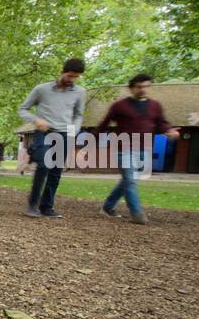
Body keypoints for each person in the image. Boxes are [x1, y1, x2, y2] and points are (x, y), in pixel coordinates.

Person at [97, 73, 180, 225]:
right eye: (139, 87)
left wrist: (169, 130)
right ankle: (137, 214)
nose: (143, 89)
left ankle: (108, 207)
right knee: (130, 180)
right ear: (131, 88)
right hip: (124, 147)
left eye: (146, 86)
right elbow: (104, 124)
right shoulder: (119, 106)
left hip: (145, 148)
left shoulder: (155, 106)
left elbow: (161, 123)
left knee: (128, 181)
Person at [18, 57, 87, 218]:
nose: (72, 80)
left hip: (64, 134)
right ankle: (32, 204)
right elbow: (23, 109)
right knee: (43, 165)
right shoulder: (42, 89)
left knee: (56, 171)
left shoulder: (80, 92)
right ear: (62, 72)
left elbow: (78, 115)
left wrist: (73, 131)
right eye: (70, 76)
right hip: (44, 132)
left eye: (76, 77)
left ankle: (46, 207)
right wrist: (36, 120)